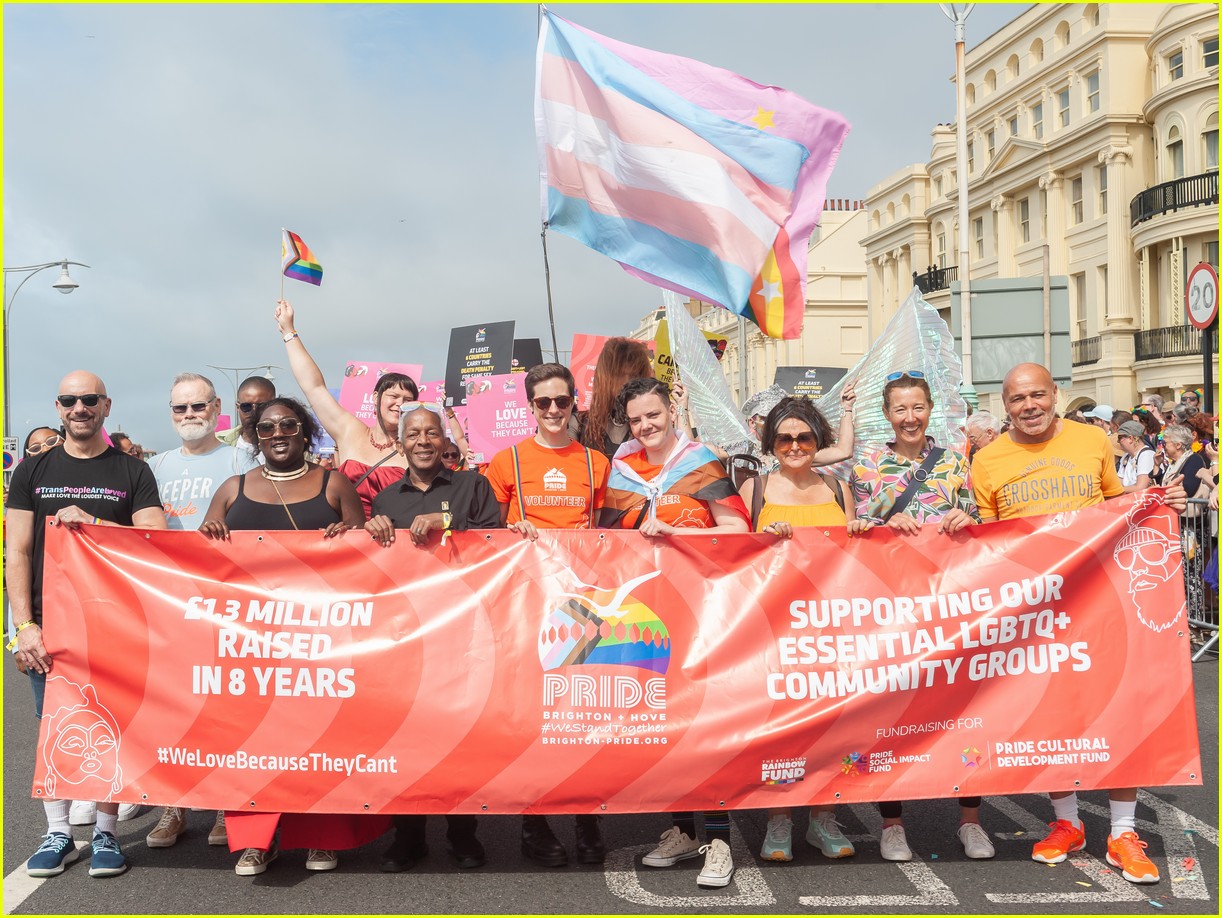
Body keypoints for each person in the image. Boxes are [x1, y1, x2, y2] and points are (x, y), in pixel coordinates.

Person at [971, 362, 1188, 885]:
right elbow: (983, 539)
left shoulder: (1093, 441)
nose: (1029, 406)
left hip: (1101, 601)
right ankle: (1066, 822)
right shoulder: (987, 461)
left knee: (1120, 707)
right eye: (1018, 398)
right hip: (1035, 613)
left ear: (1053, 395)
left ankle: (1123, 831)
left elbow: (1116, 503)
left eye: (1037, 395)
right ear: (1006, 405)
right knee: (1055, 716)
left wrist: (1160, 502)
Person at [200, 398, 374, 875]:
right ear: (255, 436)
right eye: (268, 427)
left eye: (290, 425)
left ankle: (319, 834)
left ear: (305, 433)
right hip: (250, 645)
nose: (278, 433)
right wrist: (210, 531)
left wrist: (351, 534)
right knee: (250, 743)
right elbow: (201, 564)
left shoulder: (332, 483)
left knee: (322, 739)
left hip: (321, 642)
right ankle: (257, 838)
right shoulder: (232, 490)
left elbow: (368, 565)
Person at [5, 371, 167, 879]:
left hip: (114, 621)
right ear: (58, 407)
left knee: (108, 728)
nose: (80, 407)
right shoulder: (31, 470)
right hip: (49, 623)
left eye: (89, 399)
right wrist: (22, 625)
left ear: (106, 405)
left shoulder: (131, 471)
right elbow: (18, 550)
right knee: (52, 725)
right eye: (71, 400)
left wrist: (97, 525)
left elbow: (155, 541)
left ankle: (105, 833)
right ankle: (57, 833)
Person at [602, 377, 749, 889]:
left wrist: (679, 532)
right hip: (646, 620)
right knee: (663, 731)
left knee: (706, 730)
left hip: (703, 615)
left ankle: (720, 841)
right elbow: (602, 544)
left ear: (671, 411)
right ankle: (684, 832)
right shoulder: (620, 473)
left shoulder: (701, 461)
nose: (646, 427)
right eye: (637, 419)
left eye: (654, 416)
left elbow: (737, 533)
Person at [846, 370, 991, 862]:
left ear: (931, 409)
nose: (910, 418)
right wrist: (884, 523)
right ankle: (892, 824)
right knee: (892, 716)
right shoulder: (866, 466)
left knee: (963, 712)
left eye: (918, 407)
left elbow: (979, 522)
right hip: (892, 609)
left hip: (951, 606)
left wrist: (966, 518)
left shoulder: (954, 463)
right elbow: (855, 529)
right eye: (900, 409)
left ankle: (970, 821)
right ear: (887, 415)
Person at [365, 403, 500, 871]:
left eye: (431, 433)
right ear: (399, 443)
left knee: (461, 740)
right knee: (406, 739)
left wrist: (450, 526)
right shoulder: (386, 500)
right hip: (407, 638)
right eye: (413, 434)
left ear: (445, 440)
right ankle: (409, 836)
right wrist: (370, 531)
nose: (423, 441)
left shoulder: (472, 486)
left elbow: (495, 546)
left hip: (463, 632)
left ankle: (463, 834)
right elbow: (373, 567)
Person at [486, 364, 611, 866]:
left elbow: (603, 534)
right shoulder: (505, 462)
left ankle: (587, 820)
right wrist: (510, 532)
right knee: (530, 719)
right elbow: (487, 539)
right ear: (530, 406)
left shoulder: (596, 463)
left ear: (573, 401)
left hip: (581, 604)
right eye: (544, 403)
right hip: (526, 605)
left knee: (582, 715)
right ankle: (534, 824)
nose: (554, 411)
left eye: (562, 401)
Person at [737, 396, 856, 864]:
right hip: (776, 631)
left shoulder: (838, 489)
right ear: (771, 443)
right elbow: (731, 558)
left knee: (833, 729)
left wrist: (863, 529)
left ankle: (824, 820)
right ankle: (779, 820)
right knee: (780, 731)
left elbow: (857, 554)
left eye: (804, 437)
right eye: (784, 437)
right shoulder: (755, 490)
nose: (794, 445)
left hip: (832, 628)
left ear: (818, 440)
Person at [143, 373, 258, 851]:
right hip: (170, 606)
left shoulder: (241, 458)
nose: (189, 416)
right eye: (179, 409)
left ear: (216, 409)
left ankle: (224, 806)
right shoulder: (155, 465)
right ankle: (175, 804)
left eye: (197, 407)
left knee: (226, 709)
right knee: (174, 709)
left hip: (230, 604)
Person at [274, 298, 468, 516]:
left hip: (399, 540)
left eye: (407, 399)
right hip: (348, 536)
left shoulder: (419, 447)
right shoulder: (349, 430)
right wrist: (289, 332)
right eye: (393, 396)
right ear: (376, 397)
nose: (400, 404)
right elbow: (314, 388)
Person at [575, 337, 655, 460]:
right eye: (619, 375)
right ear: (605, 377)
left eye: (634, 375)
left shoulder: (651, 424)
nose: (627, 382)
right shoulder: (579, 424)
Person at [216, 375, 276, 454]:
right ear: (238, 407)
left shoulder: (287, 443)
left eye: (261, 406)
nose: (253, 412)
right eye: (246, 407)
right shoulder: (217, 442)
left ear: (275, 405)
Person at [1116, 420, 1155, 492]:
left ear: (1130, 438)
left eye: (1120, 438)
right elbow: (1119, 482)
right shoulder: (1126, 457)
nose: (1118, 441)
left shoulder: (1146, 455)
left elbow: (1140, 487)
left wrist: (1115, 491)